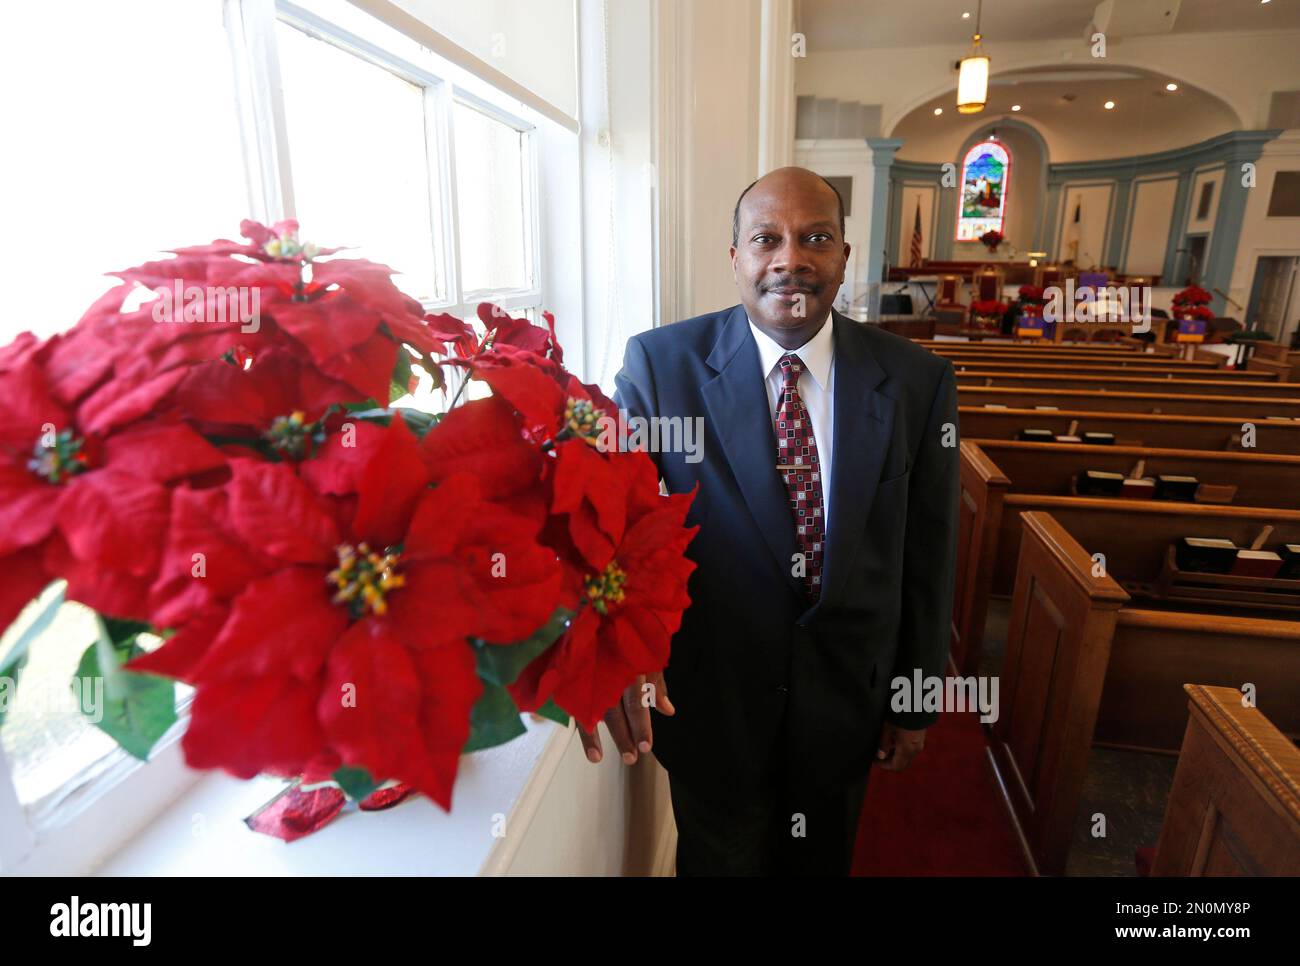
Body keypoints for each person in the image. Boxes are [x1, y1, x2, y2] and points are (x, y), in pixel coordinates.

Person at [585, 166, 959, 876]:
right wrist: (616, 656)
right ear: (737, 259)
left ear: (844, 255)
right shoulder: (663, 366)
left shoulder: (916, 381)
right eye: (768, 239)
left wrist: (916, 699)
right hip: (712, 704)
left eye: (816, 237)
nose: (792, 258)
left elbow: (929, 556)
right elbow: (620, 530)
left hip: (848, 703)